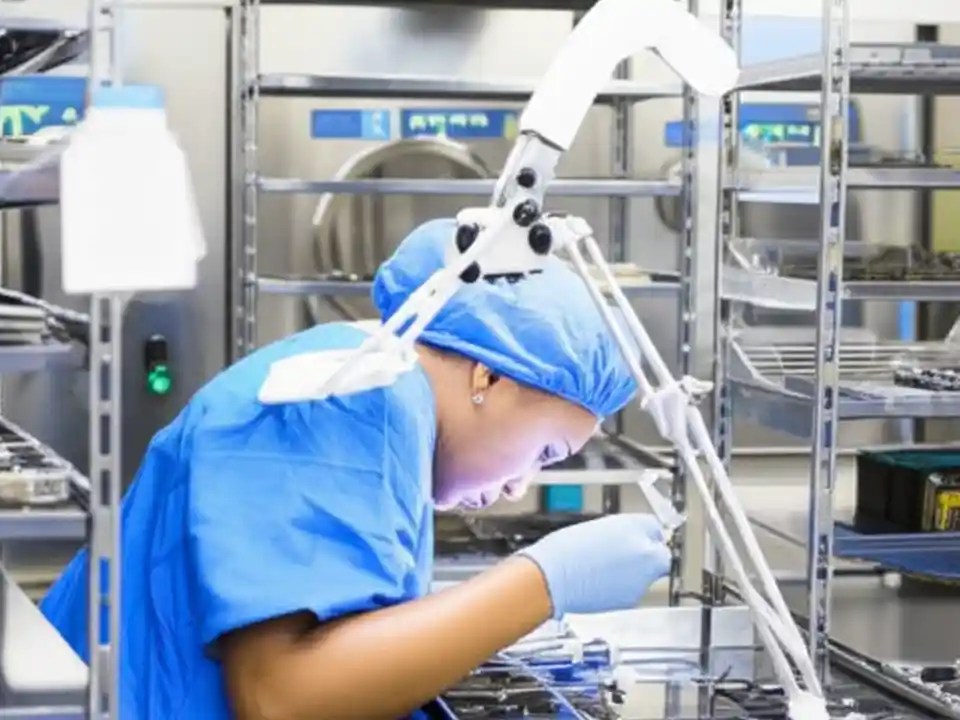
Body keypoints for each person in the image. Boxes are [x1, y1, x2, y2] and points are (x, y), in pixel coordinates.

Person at [40, 217, 672, 719]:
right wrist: (544, 582)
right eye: (544, 453)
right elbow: (282, 698)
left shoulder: (375, 392)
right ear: (491, 375)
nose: (517, 486)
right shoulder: (357, 395)